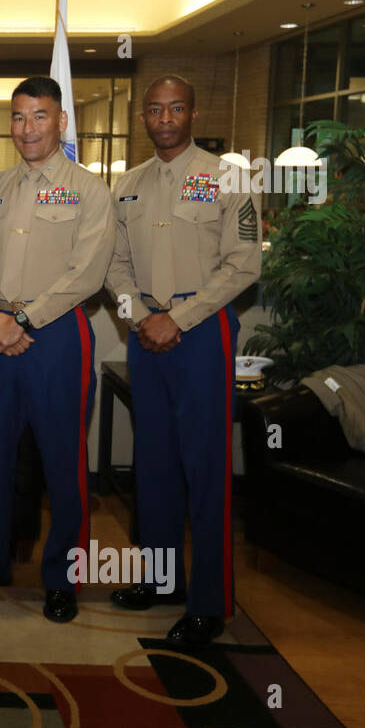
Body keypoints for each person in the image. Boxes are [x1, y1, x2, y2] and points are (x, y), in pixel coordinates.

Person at [0, 76, 115, 623]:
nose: (27, 128)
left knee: (63, 460)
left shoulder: (90, 190)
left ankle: (63, 577)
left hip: (56, 335)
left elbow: (87, 273)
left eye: (39, 116)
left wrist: (24, 320)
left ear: (61, 122)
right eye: (18, 117)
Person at [104, 75, 262, 647]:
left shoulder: (229, 178)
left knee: (205, 468)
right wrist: (137, 316)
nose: (164, 118)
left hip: (202, 334)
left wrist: (181, 318)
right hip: (146, 334)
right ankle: (162, 580)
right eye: (154, 109)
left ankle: (211, 601)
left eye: (175, 108)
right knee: (154, 462)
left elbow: (243, 265)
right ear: (143, 117)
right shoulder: (127, 185)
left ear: (193, 114)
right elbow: (112, 266)